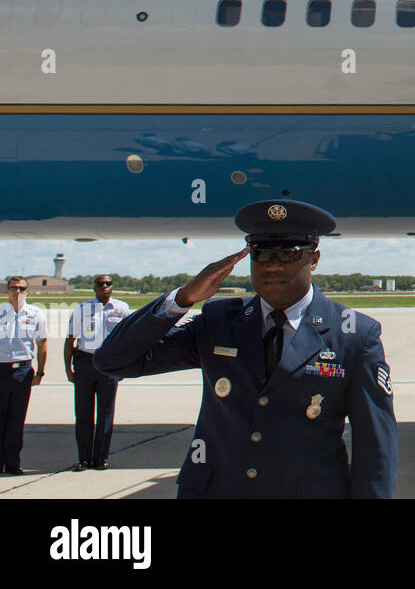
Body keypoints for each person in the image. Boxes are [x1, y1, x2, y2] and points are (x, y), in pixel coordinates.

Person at [95, 200, 398, 498]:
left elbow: (376, 449)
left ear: (314, 258)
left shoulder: (353, 335)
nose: (273, 265)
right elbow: (112, 361)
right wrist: (182, 300)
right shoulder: (220, 322)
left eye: (289, 253)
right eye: (262, 253)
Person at [64, 274, 129, 470]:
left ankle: (100, 458)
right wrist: (69, 369)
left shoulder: (122, 309)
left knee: (106, 413)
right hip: (85, 362)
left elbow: (129, 339)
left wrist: (125, 365)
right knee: (83, 413)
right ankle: (84, 458)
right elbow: (70, 341)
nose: (105, 287)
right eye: (101, 284)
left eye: (108, 284)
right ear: (94, 287)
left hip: (109, 364)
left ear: (113, 287)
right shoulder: (82, 309)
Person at [0, 276, 48, 475]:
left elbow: (42, 343)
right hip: (0, 370)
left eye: (21, 288)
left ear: (27, 291)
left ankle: (13, 463)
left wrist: (40, 371)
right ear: (7, 291)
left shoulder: (36, 314)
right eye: (13, 288)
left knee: (17, 419)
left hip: (23, 370)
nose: (17, 292)